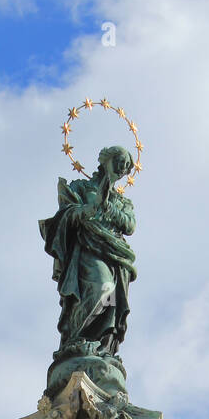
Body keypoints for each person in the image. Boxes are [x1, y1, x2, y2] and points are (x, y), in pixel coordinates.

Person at [40, 146, 137, 356]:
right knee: (102, 288)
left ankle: (101, 344)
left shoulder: (122, 202)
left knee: (112, 299)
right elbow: (66, 213)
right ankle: (76, 338)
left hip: (115, 255)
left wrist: (108, 207)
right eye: (120, 162)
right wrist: (89, 210)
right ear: (106, 161)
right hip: (87, 247)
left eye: (127, 166)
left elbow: (130, 226)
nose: (122, 168)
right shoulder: (81, 187)